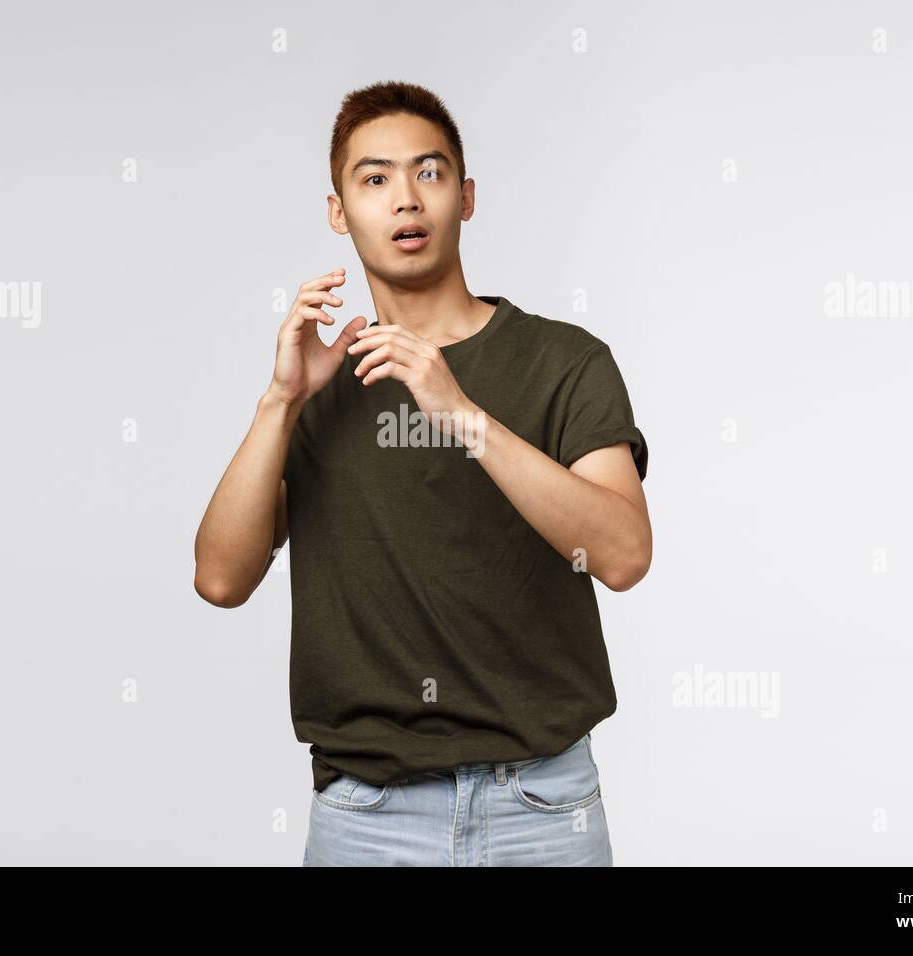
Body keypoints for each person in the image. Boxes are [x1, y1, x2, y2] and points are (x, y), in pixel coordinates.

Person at [193, 80, 651, 866]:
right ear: (338, 210)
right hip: (367, 816)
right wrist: (280, 402)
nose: (405, 199)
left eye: (428, 173)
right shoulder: (315, 387)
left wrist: (461, 411)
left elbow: (623, 555)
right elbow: (221, 580)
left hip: (541, 806)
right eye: (374, 180)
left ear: (466, 196)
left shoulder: (565, 361)